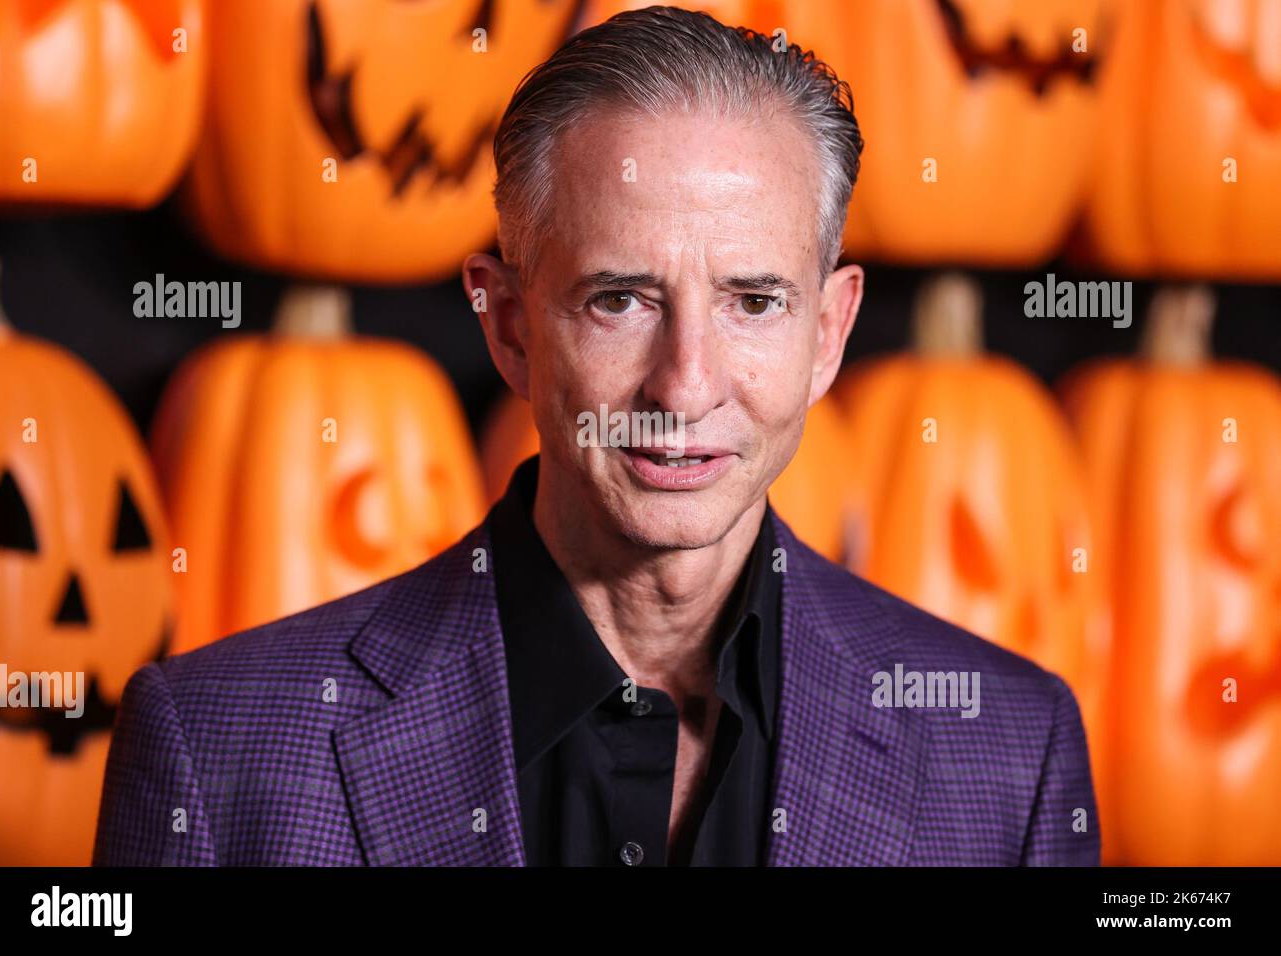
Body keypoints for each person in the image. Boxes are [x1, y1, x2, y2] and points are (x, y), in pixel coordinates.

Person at [93, 5, 1099, 867]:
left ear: (827, 331)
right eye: (619, 299)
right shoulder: (219, 751)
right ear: (509, 325)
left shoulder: (1011, 753)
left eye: (753, 301)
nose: (686, 381)